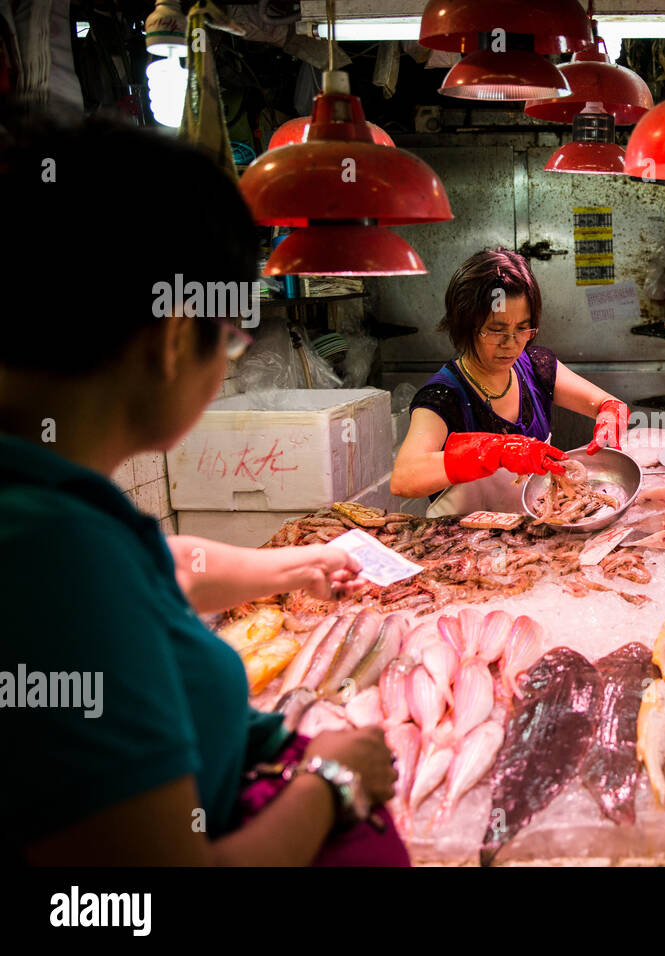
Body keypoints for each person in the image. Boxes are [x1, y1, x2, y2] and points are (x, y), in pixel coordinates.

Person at [0, 116, 401, 865]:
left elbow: (160, 569)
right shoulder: (52, 554)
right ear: (176, 337)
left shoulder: (48, 499)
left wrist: (290, 567)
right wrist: (331, 783)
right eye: (236, 337)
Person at [390, 248, 630, 514]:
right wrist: (499, 451)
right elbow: (404, 478)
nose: (512, 344)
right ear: (465, 325)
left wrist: (610, 414)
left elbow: (607, 404)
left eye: (522, 329)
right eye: (496, 330)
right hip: (463, 548)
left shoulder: (535, 367)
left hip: (534, 538)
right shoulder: (443, 397)